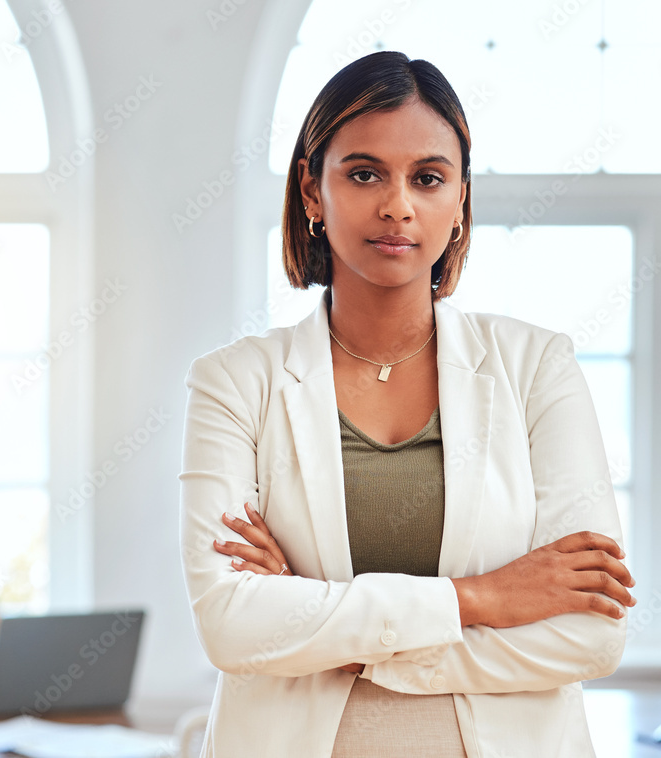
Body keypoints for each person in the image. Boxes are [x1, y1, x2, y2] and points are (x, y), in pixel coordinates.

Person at [178, 50, 635, 757]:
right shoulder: (236, 382)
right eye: (364, 173)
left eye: (428, 178)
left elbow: (592, 632)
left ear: (460, 200)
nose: (397, 205)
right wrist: (482, 598)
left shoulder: (537, 367)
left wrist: (336, 630)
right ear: (311, 190)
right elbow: (231, 625)